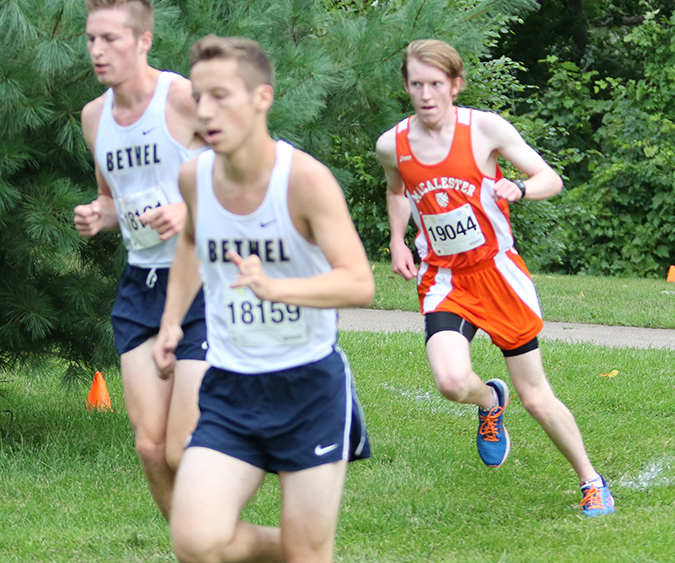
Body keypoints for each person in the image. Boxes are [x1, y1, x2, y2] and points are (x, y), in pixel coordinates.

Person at [152, 35, 374, 563]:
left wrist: (279, 289)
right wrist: (170, 323)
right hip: (230, 388)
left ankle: (306, 551)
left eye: (221, 95)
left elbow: (360, 283)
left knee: (306, 551)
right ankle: (303, 551)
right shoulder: (195, 178)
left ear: (262, 98)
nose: (205, 111)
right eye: (199, 97)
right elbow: (189, 240)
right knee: (195, 540)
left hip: (308, 389)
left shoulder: (304, 181)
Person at [376, 39, 615, 517]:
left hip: (497, 274)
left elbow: (551, 178)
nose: (426, 94)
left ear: (455, 85)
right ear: (406, 86)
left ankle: (592, 481)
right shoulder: (392, 144)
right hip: (444, 277)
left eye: (436, 84)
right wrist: (399, 241)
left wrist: (520, 188)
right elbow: (397, 191)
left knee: (537, 399)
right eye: (417, 84)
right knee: (448, 380)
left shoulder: (484, 130)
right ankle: (489, 400)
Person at [73, 0, 208, 520]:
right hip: (139, 286)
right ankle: (200, 549)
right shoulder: (94, 118)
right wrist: (97, 215)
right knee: (151, 449)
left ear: (144, 40)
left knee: (182, 448)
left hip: (201, 279)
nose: (98, 51)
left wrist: (187, 206)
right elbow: (111, 199)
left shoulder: (179, 98)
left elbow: (244, 165)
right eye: (91, 39)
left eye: (111, 39)